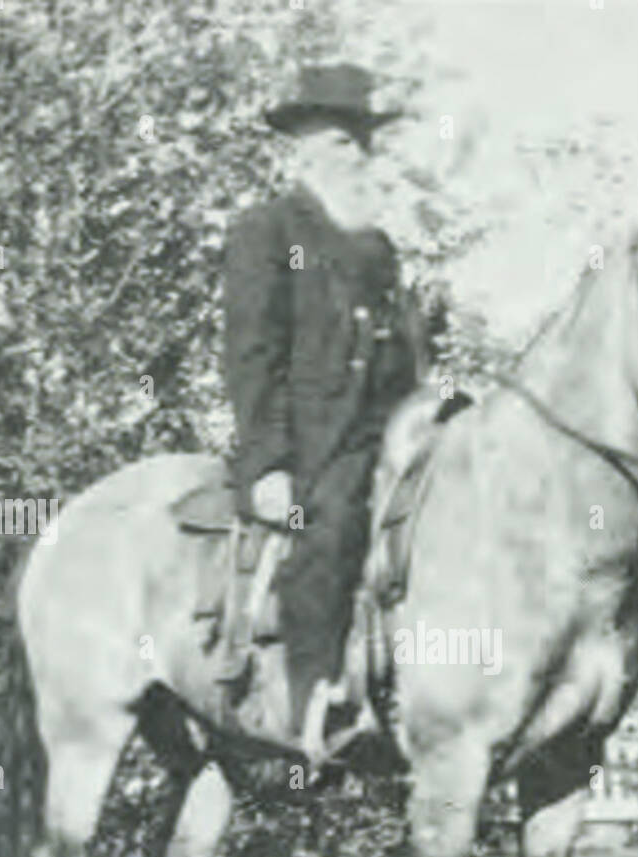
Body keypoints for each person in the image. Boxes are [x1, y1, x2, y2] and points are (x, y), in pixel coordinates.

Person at [219, 63, 425, 759]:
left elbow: (399, 364)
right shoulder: (266, 230)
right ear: (299, 147)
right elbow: (252, 355)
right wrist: (268, 465)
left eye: (364, 141)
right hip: (312, 450)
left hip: (388, 438)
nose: (359, 154)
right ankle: (316, 708)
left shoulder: (378, 247)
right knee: (331, 529)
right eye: (342, 141)